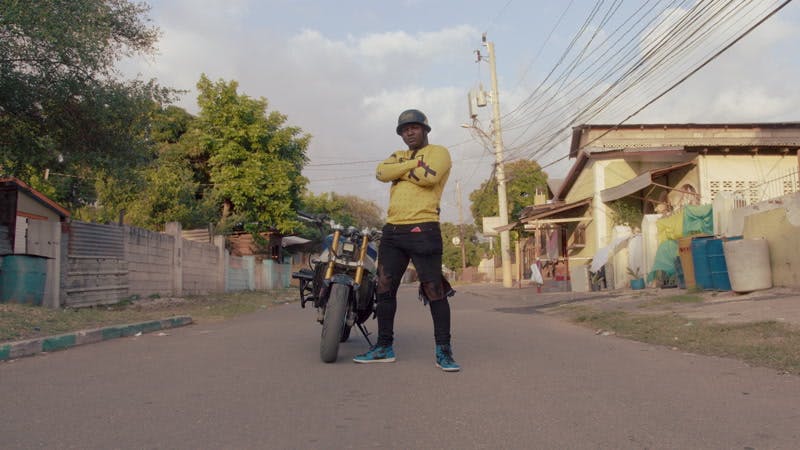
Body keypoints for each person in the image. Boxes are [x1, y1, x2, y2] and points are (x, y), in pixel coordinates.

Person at [353, 109, 460, 372]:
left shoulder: (439, 152)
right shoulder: (398, 156)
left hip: (423, 228)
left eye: (414, 127)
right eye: (404, 129)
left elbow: (431, 176)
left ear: (425, 129)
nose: (409, 132)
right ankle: (384, 347)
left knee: (434, 289)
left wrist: (398, 171)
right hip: (392, 230)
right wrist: (412, 165)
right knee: (384, 288)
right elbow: (380, 173)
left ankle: (443, 351)